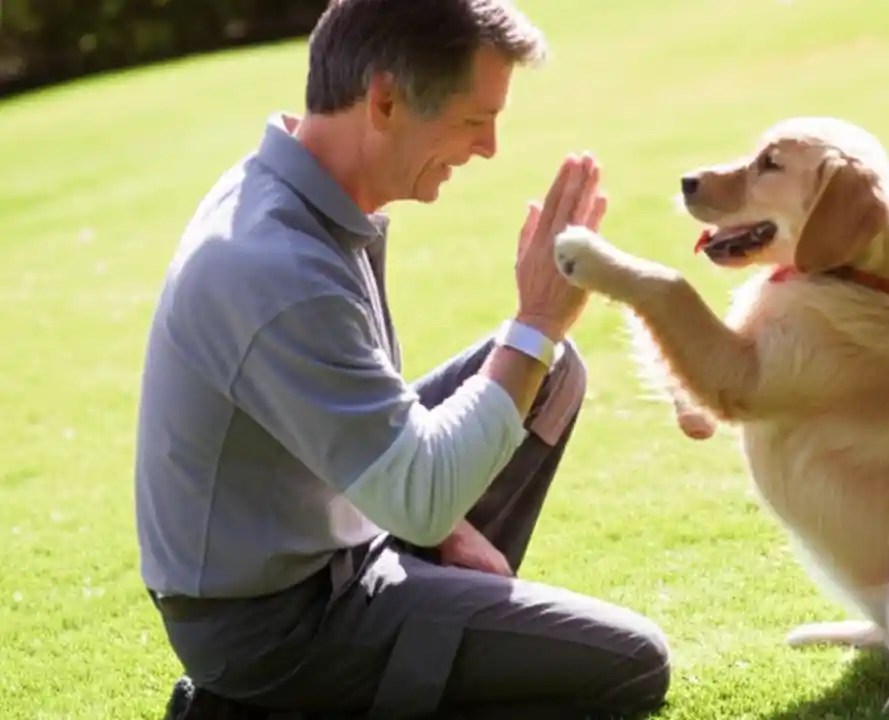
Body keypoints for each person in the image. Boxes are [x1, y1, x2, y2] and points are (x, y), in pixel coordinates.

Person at [133, 1, 671, 718]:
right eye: (474, 119)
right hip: (278, 628)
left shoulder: (295, 192)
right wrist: (536, 320)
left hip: (337, 544)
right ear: (384, 100)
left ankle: (416, 627)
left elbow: (386, 465)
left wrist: (444, 523)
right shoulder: (276, 269)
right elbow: (416, 494)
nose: (489, 148)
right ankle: (260, 709)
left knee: (552, 374)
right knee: (633, 667)